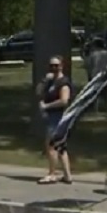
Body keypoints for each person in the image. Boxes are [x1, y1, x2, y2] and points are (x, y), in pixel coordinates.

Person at [36, 56, 73, 185]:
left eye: (56, 65)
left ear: (62, 66)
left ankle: (52, 174)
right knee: (60, 146)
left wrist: (47, 106)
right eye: (51, 65)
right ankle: (67, 175)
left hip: (58, 117)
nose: (53, 68)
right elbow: (38, 91)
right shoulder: (51, 81)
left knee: (51, 146)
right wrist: (44, 80)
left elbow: (64, 101)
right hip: (51, 117)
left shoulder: (63, 82)